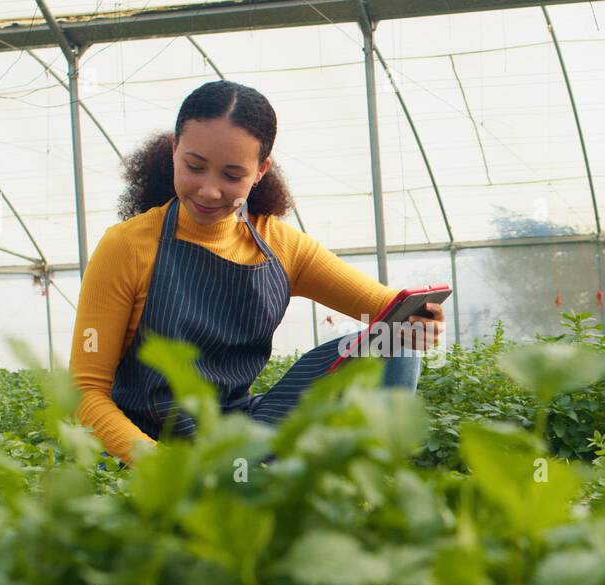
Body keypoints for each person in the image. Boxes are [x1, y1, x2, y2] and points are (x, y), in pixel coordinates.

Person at [70, 80, 444, 464]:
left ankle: (365, 481)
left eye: (232, 176)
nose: (210, 190)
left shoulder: (282, 246)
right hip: (143, 445)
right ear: (174, 151)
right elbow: (85, 391)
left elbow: (388, 308)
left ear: (260, 170)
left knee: (394, 339)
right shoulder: (127, 247)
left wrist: (420, 319)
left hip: (239, 442)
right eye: (194, 166)